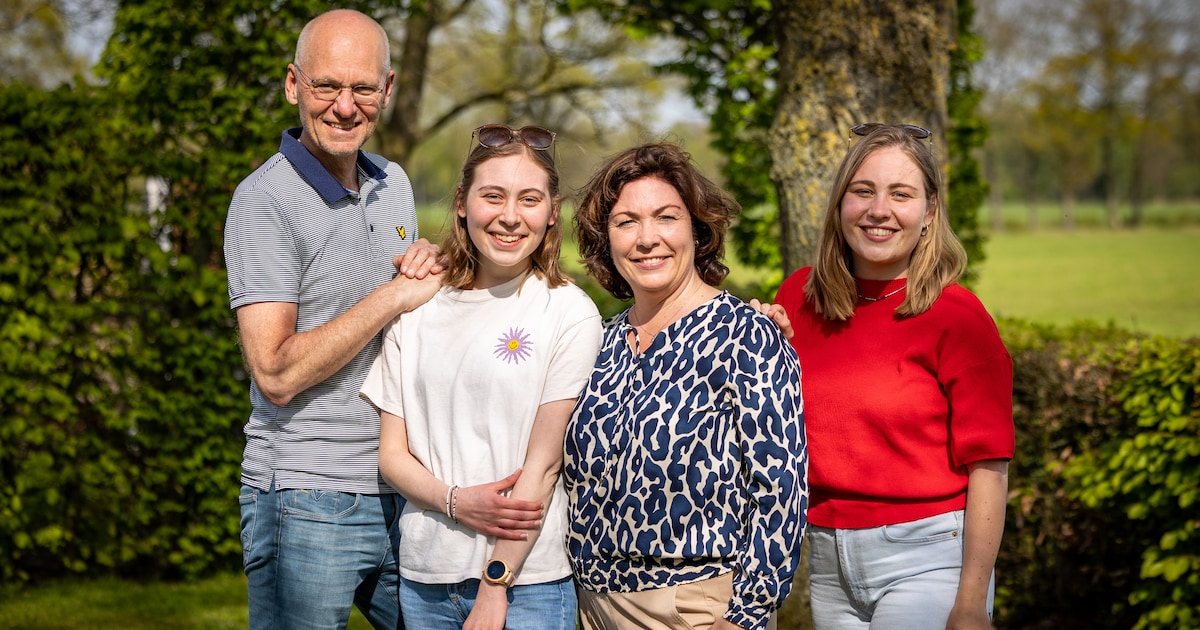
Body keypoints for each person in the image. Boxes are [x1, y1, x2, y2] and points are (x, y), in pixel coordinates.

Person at [223, 9, 443, 629]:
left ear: (388, 90)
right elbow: (275, 371)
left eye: (363, 89)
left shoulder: (392, 183)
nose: (345, 107)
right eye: (327, 87)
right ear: (294, 85)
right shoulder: (263, 202)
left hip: (403, 484)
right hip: (306, 494)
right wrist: (393, 296)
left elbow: (407, 312)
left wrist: (428, 270)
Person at [360, 123, 603, 629]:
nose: (510, 217)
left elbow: (543, 467)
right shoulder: (418, 304)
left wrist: (495, 586)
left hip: (526, 585)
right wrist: (456, 501)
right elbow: (392, 454)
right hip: (424, 580)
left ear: (552, 212)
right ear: (463, 203)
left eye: (529, 199)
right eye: (493, 196)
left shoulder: (567, 311)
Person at [773, 123, 1014, 630]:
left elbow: (989, 467)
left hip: (929, 558)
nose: (878, 209)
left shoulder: (958, 318)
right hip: (827, 557)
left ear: (928, 214)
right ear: (840, 205)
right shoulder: (797, 298)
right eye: (863, 191)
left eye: (900, 194)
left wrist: (971, 602)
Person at [564, 141, 808, 630]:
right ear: (606, 240)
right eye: (626, 222)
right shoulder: (599, 341)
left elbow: (781, 488)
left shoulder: (746, 334)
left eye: (666, 217)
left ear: (697, 231)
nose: (646, 238)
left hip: (696, 607)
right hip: (591, 605)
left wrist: (746, 616)